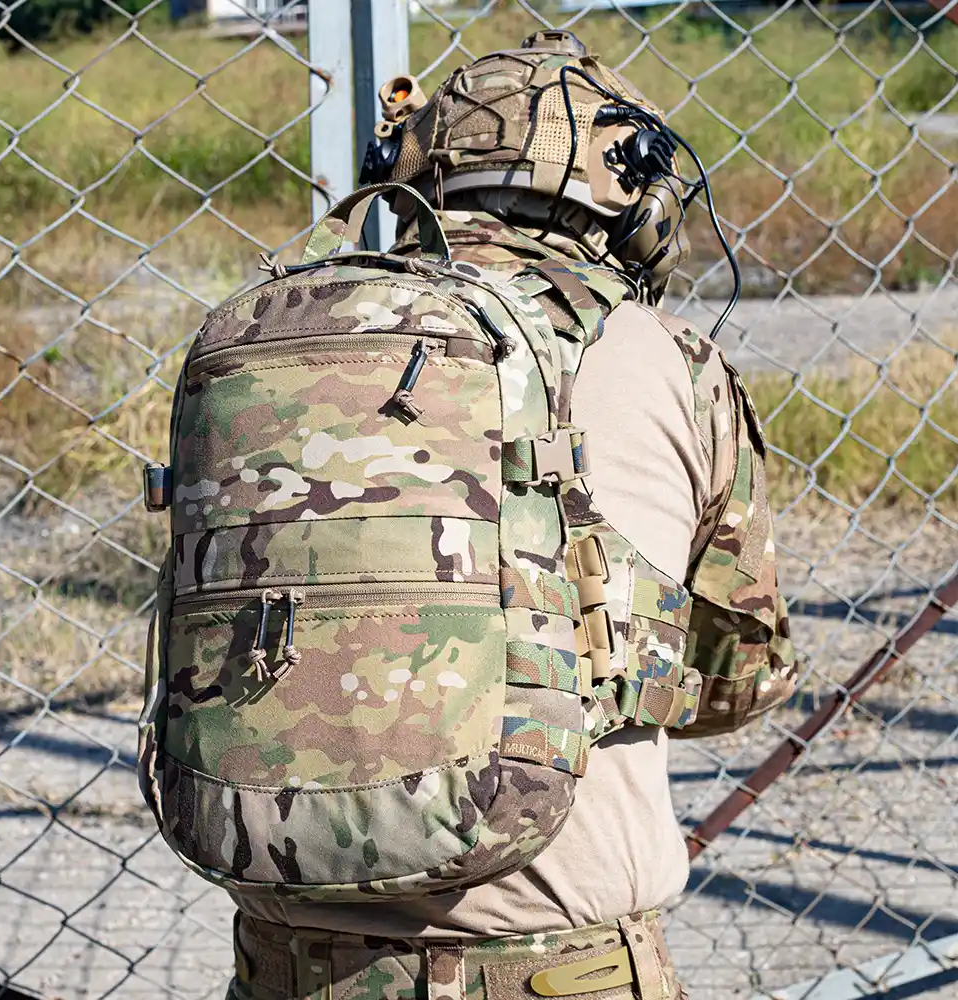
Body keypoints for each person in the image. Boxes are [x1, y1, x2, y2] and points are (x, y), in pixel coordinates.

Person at [219, 29, 797, 1000]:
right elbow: (743, 677)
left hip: (283, 970)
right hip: (559, 972)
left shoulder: (272, 335)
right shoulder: (665, 354)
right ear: (642, 209)